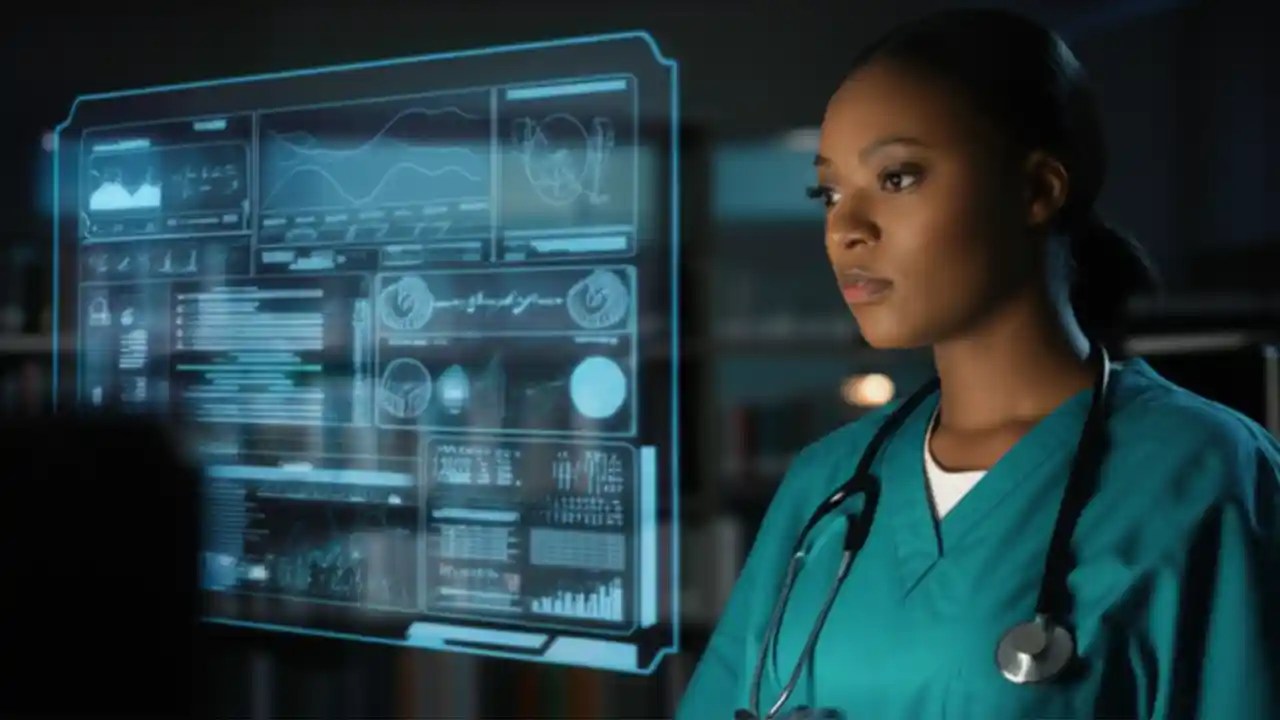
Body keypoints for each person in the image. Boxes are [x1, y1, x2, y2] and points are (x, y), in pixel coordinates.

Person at [677, 8, 1279, 720]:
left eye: (897, 179)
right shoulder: (826, 483)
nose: (845, 229)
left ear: (1036, 190)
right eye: (828, 193)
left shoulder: (1204, 475)